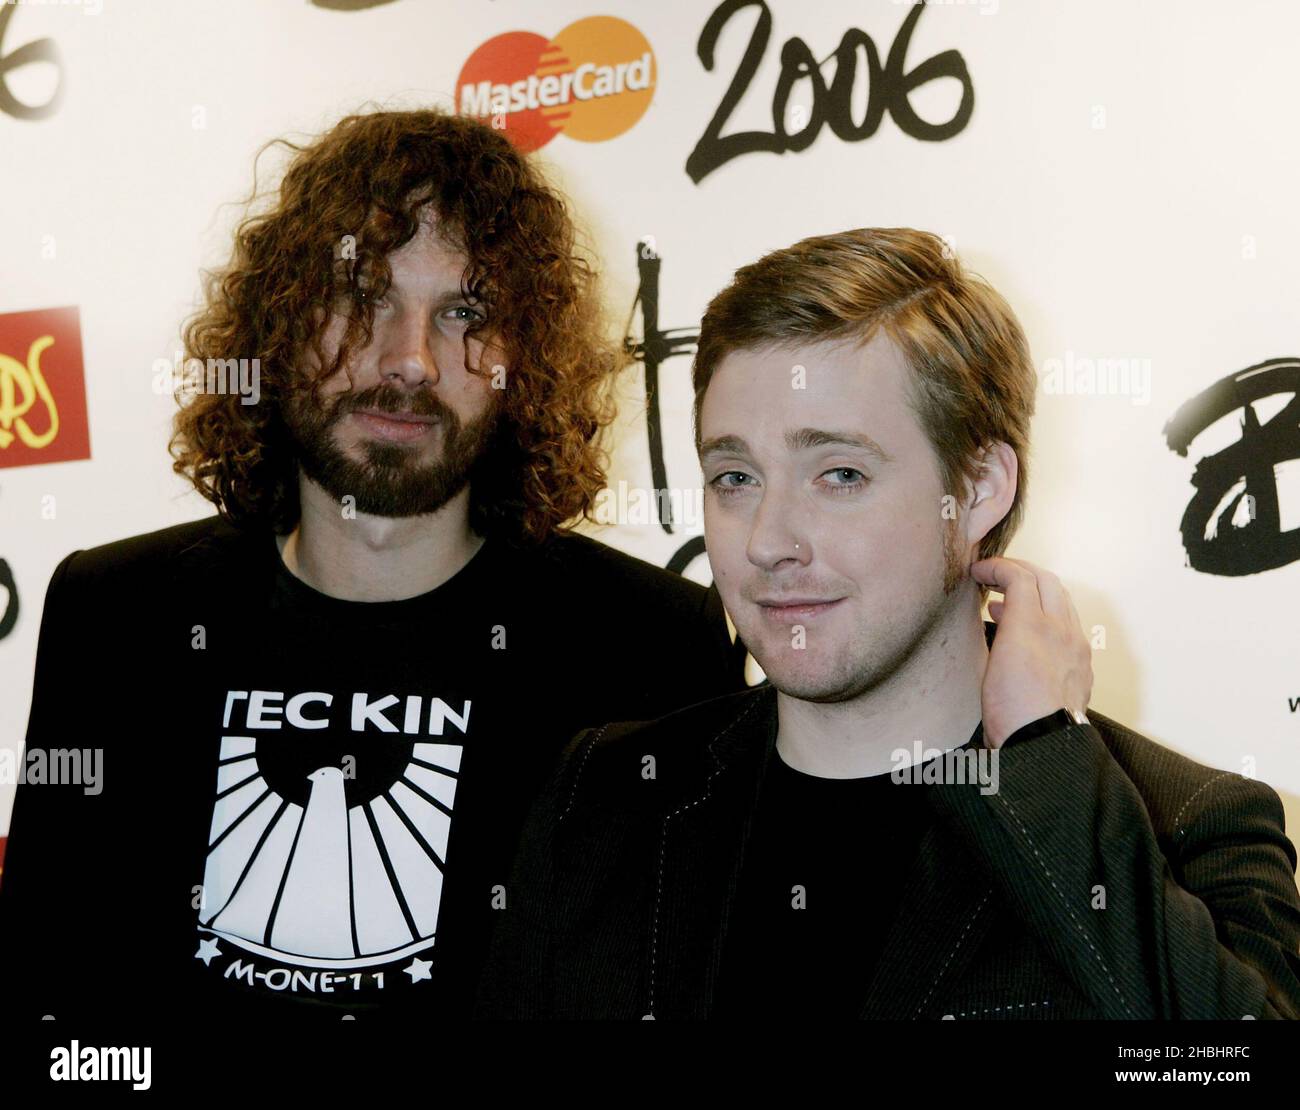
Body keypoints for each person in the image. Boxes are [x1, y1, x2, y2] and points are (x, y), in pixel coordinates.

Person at [0, 107, 746, 1022]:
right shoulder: (114, 614)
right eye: (363, 298)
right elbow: (45, 1005)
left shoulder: (648, 645)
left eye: (466, 313)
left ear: (528, 357)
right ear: (279, 327)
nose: (411, 362)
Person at [476, 228, 1300, 1020]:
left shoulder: (1186, 828)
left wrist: (1046, 760)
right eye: (734, 476)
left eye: (839, 473)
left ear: (978, 488)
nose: (767, 542)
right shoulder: (605, 796)